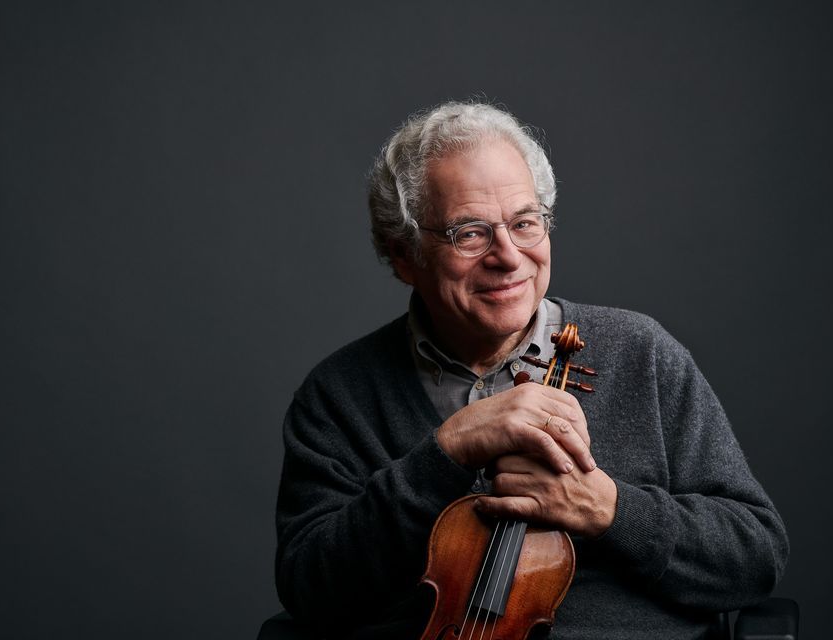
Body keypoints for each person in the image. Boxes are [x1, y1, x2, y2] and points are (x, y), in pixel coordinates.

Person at [274, 102, 789, 640]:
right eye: (469, 234)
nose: (509, 257)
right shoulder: (338, 395)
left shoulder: (643, 353)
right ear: (404, 255)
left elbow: (755, 556)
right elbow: (311, 591)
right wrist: (443, 456)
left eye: (525, 223)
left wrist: (609, 509)